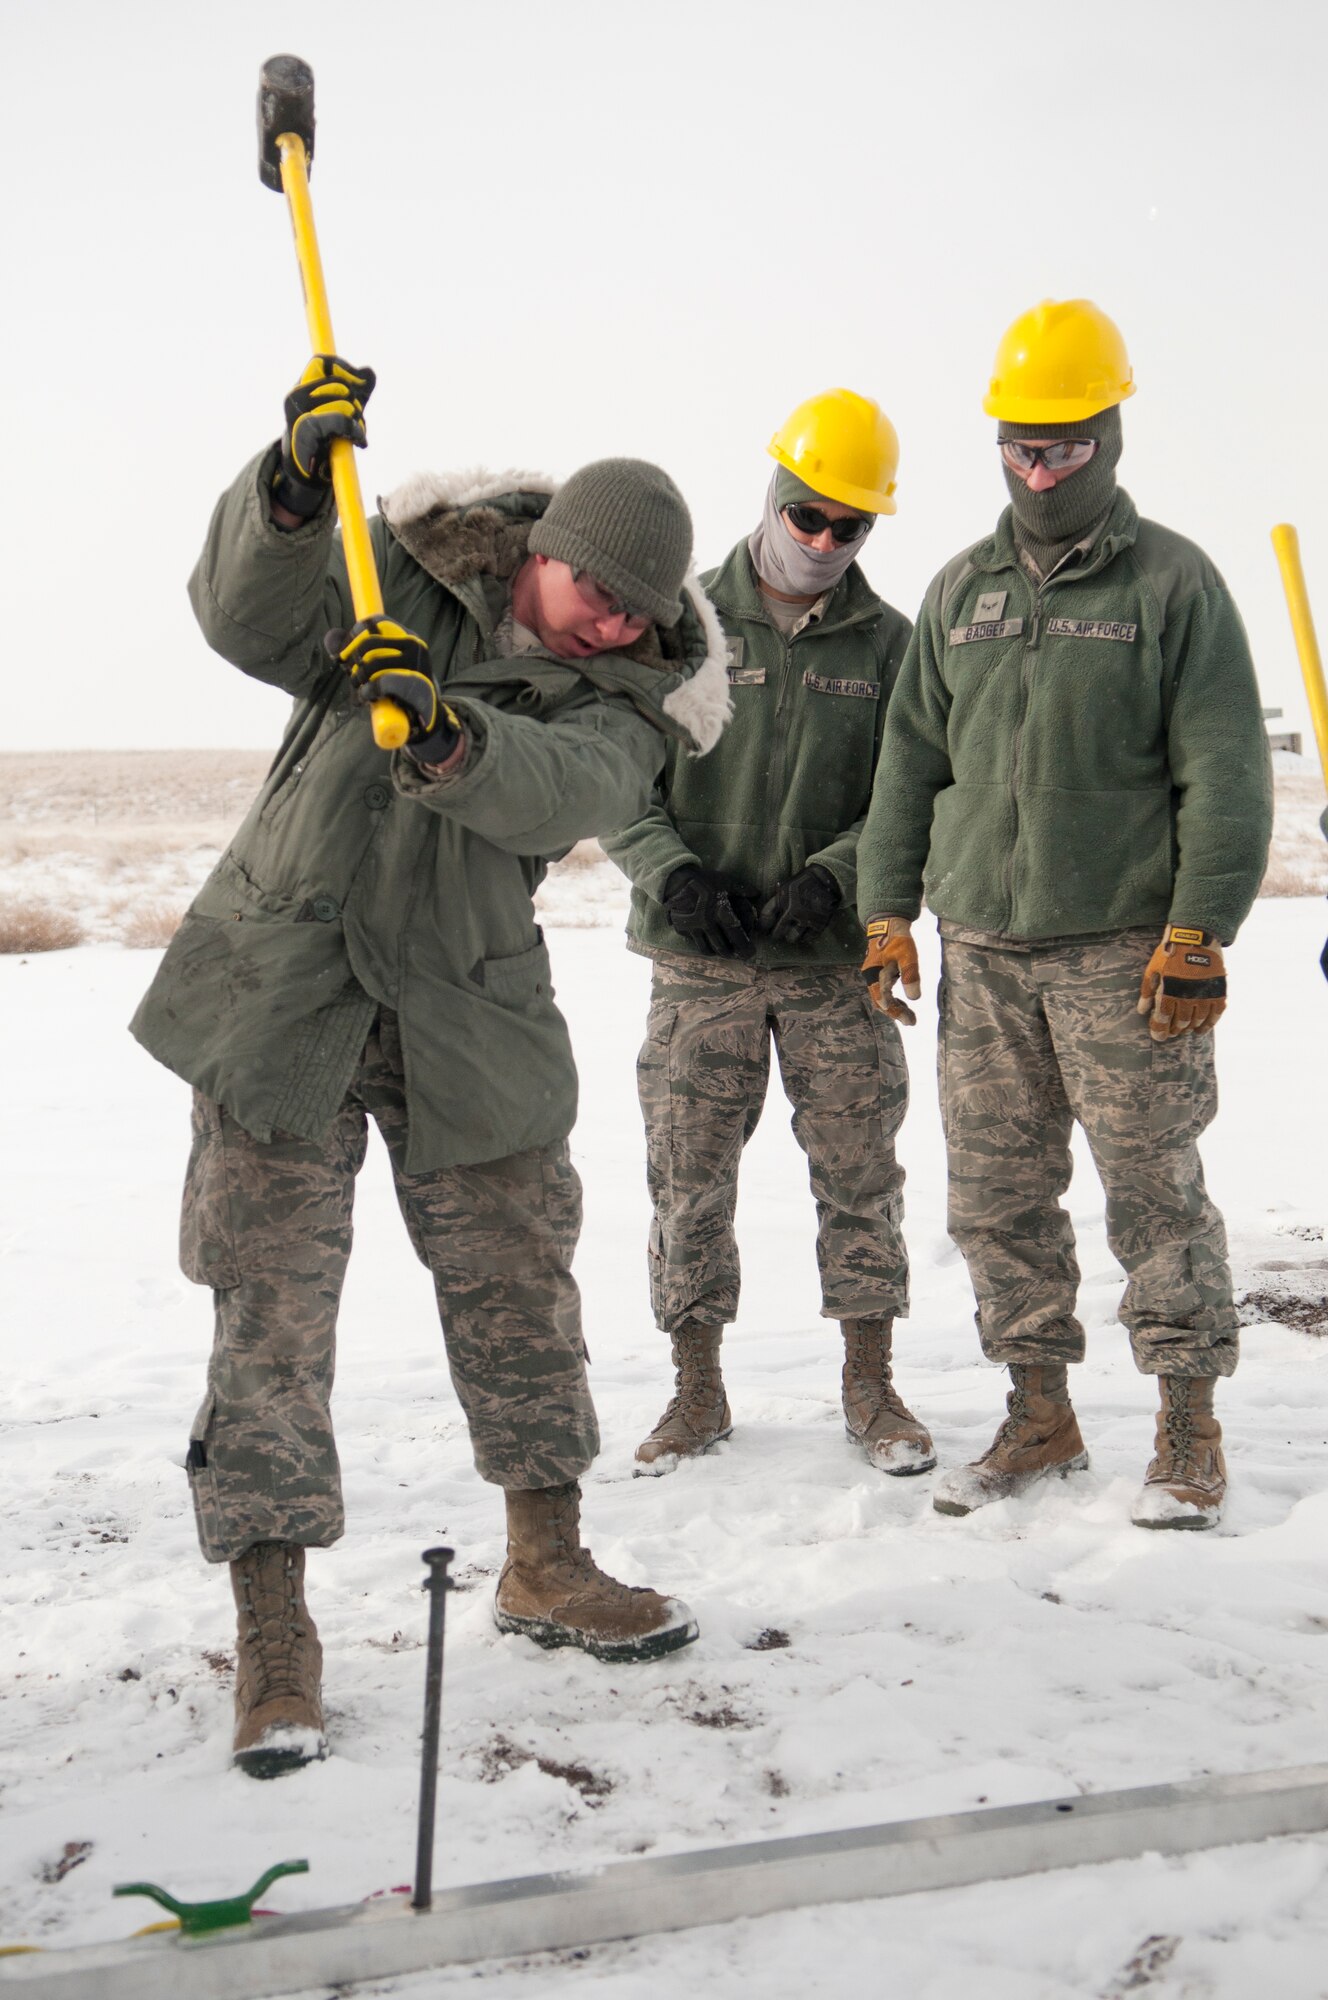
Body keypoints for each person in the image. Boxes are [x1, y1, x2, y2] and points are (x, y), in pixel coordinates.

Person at [131, 354, 732, 1775]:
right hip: (286, 987)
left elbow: (562, 788)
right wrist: (288, 486)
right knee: (265, 1313)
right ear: (543, 557)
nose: (617, 629)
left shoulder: (634, 700)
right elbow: (244, 617)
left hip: (469, 1008)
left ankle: (547, 1558)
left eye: (643, 617)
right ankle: (275, 1628)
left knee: (522, 1285)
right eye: (601, 598)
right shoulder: (385, 567)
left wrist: (455, 732)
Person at [857, 300, 1272, 1532]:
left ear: (1108, 435)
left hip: (1120, 954)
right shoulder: (958, 591)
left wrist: (1198, 928)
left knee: (1153, 1189)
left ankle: (1186, 1424)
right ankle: (1037, 1408)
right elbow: (906, 766)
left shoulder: (1171, 584)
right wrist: (887, 910)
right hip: (980, 950)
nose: (1037, 471)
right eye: (1018, 447)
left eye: (1063, 449)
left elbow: (1224, 770)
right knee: (993, 1197)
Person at [603, 390, 933, 1477]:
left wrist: (838, 882)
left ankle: (871, 1386)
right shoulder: (677, 623)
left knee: (858, 1174)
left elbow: (908, 790)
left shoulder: (893, 645)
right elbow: (613, 774)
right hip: (700, 962)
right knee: (686, 1175)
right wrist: (673, 875)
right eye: (808, 515)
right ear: (772, 493)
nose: (824, 541)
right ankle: (694, 1390)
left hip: (832, 967)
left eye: (850, 526)